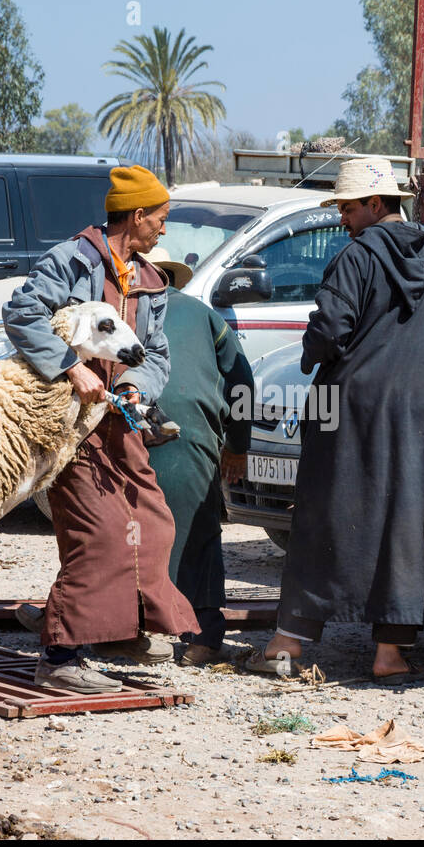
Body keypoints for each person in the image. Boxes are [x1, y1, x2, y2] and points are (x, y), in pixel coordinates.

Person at [243, 157, 424, 684]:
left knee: (326, 516)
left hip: (350, 413)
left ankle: (286, 647)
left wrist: (313, 354)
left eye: (349, 208)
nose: (342, 219)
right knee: (411, 519)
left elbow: (331, 328)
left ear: (378, 204)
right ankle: (389, 656)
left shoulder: (356, 258)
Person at [3, 165, 199, 692]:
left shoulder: (149, 280)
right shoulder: (71, 261)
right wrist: (72, 366)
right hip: (69, 425)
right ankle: (59, 655)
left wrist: (137, 386)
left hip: (119, 421)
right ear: (137, 216)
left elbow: (154, 352)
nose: (164, 229)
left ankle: (119, 630)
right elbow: (22, 314)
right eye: (160, 218)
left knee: (152, 522)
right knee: (101, 532)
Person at [142, 247, 253, 667]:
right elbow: (241, 382)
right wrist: (237, 447)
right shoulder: (205, 315)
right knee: (198, 533)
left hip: (136, 430)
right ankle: (203, 638)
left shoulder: (120, 312)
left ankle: (129, 630)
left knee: (128, 531)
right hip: (193, 434)